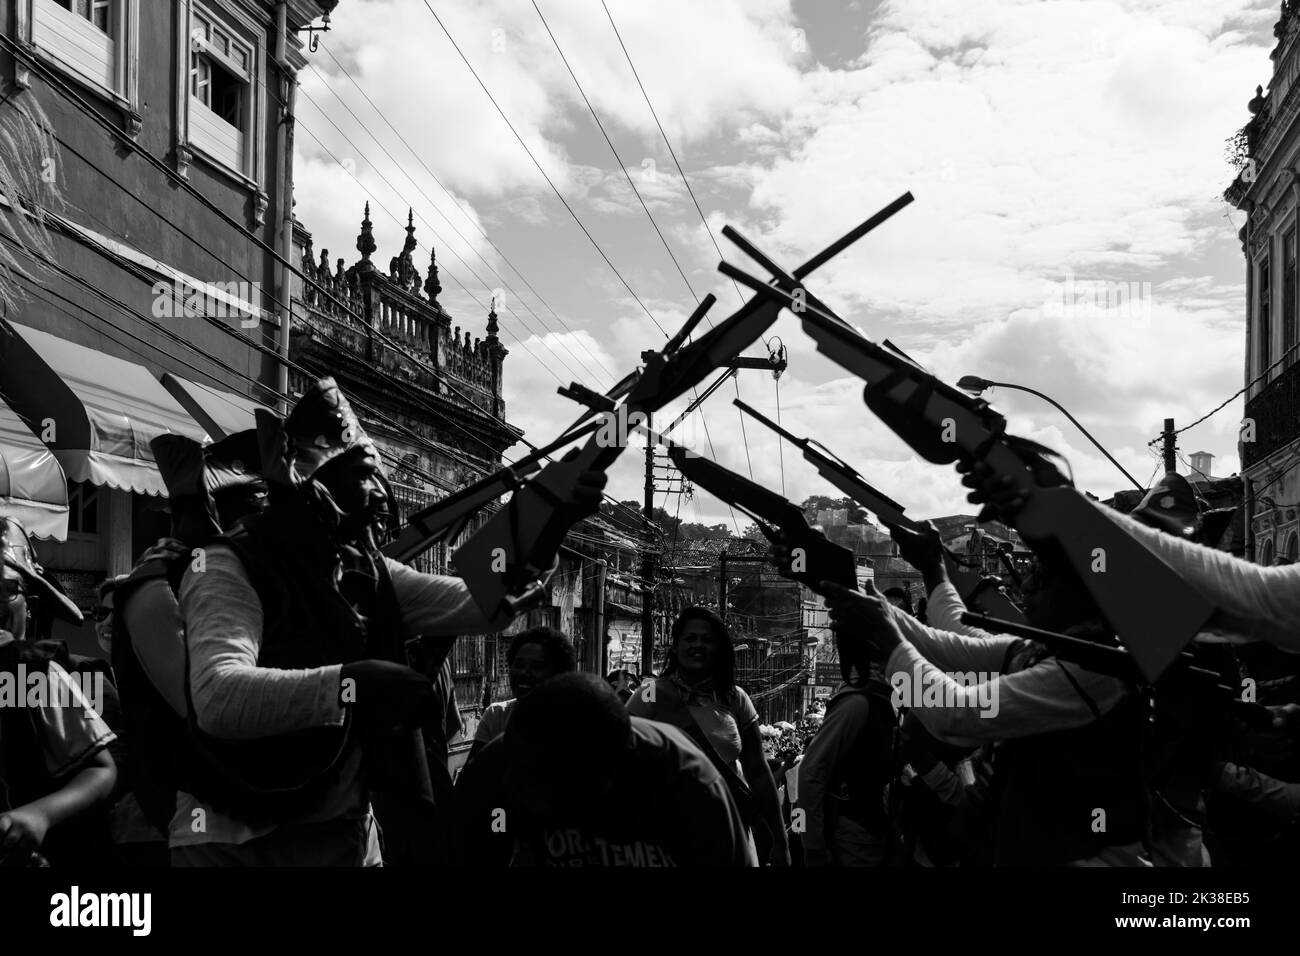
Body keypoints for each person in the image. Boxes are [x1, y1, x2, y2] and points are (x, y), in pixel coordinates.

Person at [170, 378, 605, 866]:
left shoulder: (363, 569)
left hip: (343, 828)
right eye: (362, 476)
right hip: (236, 842)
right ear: (316, 490)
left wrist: (552, 521)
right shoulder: (227, 567)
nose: (379, 493)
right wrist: (352, 684)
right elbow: (219, 697)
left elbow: (480, 602)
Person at [822, 530, 1148, 866]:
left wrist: (885, 635)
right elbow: (953, 636)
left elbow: (956, 716)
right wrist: (928, 572)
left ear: (1078, 594)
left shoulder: (1088, 673)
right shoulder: (1051, 651)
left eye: (1041, 576)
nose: (1026, 587)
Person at [451, 672, 753, 866]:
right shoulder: (496, 771)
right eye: (532, 780)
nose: (539, 798)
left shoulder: (688, 781)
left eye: (561, 786)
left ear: (614, 771)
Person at [625, 606, 788, 866]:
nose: (698, 645)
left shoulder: (736, 699)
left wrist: (781, 843)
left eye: (707, 639)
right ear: (675, 647)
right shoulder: (651, 692)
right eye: (690, 638)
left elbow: (758, 772)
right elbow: (621, 753)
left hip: (730, 830)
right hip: (668, 835)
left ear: (719, 649)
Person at [1, 517, 117, 866]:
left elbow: (103, 770)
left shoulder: (34, 673)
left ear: (30, 605)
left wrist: (39, 815)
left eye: (7, 589)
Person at [796, 610, 897, 867]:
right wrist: (813, 846)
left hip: (875, 830)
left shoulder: (884, 699)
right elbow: (810, 773)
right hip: (853, 836)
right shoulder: (857, 702)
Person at [469, 626, 575, 760]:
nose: (525, 672)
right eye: (519, 665)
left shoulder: (572, 722)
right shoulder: (496, 715)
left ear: (558, 674)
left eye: (537, 667)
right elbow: (474, 774)